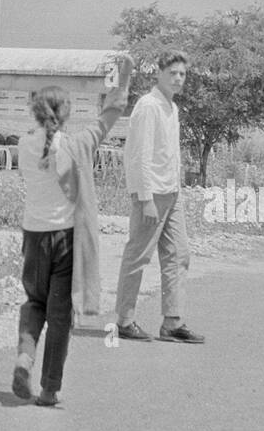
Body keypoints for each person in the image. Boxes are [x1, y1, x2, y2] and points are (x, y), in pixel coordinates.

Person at [13, 54, 133, 406]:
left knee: (34, 302)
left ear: (35, 112)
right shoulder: (78, 145)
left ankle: (24, 357)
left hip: (33, 237)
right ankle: (49, 388)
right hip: (67, 239)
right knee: (59, 313)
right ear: (66, 113)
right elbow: (111, 115)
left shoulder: (23, 146)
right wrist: (121, 79)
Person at [114, 49, 204, 343]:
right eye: (172, 73)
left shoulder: (171, 108)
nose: (178, 79)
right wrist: (146, 198)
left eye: (182, 74)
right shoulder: (148, 106)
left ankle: (172, 322)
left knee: (179, 254)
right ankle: (125, 320)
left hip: (171, 193)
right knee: (138, 256)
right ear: (159, 74)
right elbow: (139, 156)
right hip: (150, 194)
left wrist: (175, 189)